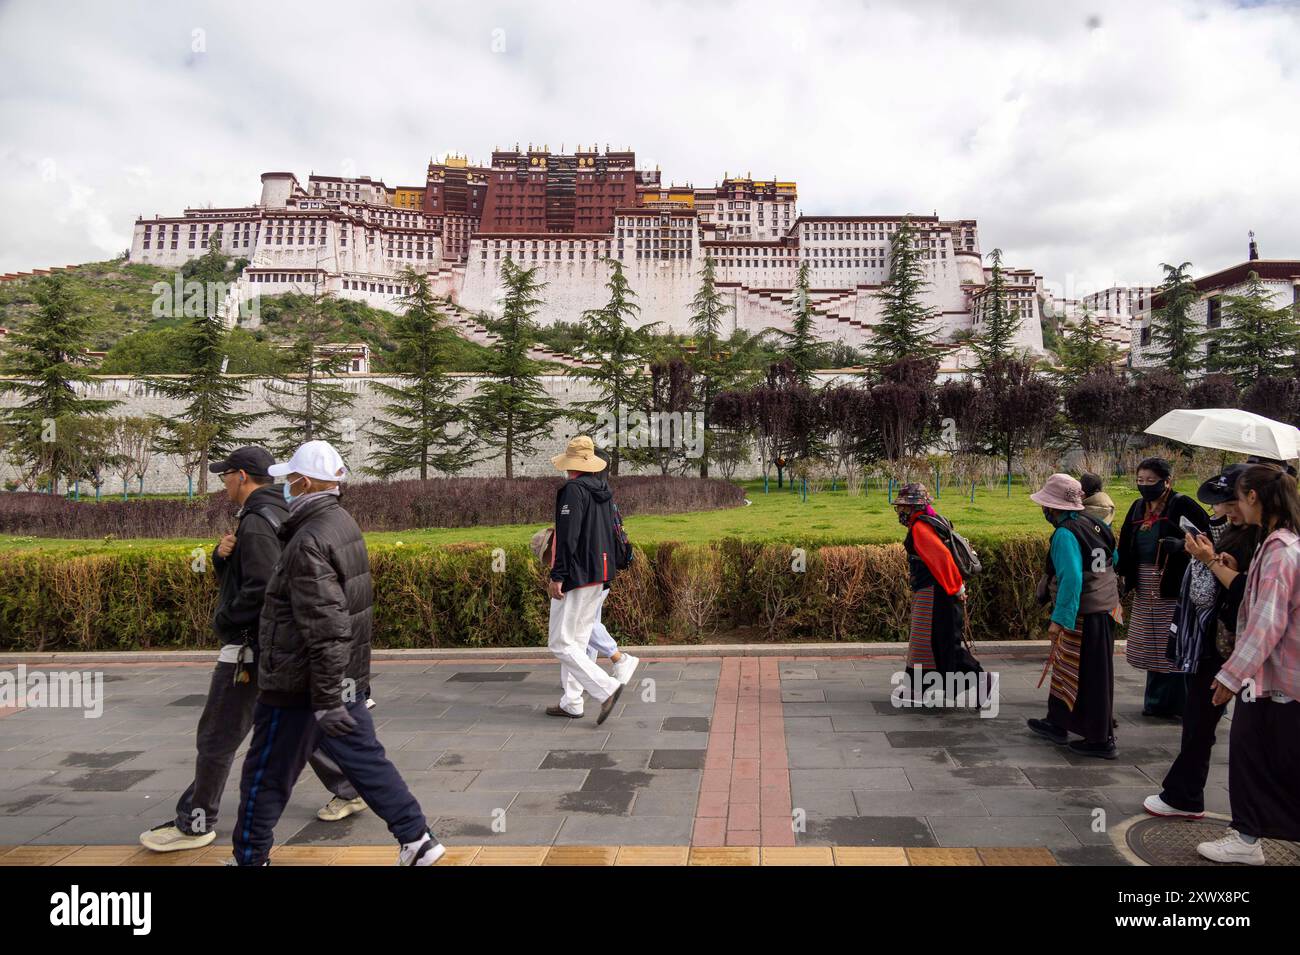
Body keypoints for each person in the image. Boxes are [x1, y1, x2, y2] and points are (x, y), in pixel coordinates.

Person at [139, 446, 365, 854]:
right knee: (295, 722)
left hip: (250, 647)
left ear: (242, 476)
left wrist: (226, 621)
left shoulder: (258, 521)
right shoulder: (283, 512)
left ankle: (196, 820)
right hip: (278, 645)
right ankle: (349, 786)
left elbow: (263, 587)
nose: (222, 481)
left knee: (217, 735)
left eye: (226, 474)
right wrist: (223, 558)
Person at [230, 440, 444, 866]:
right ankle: (417, 839)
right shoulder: (340, 522)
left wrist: (326, 700)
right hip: (336, 680)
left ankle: (249, 858)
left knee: (264, 774)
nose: (285, 487)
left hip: (303, 684)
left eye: (290, 480)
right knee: (366, 763)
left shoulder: (307, 540)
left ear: (305, 483)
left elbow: (327, 626)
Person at [1196, 464, 1300, 865]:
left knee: (1255, 755)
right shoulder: (1277, 542)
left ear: (1253, 498)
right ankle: (1247, 834)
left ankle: (1246, 837)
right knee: (1263, 756)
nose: (1234, 506)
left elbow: (1265, 621)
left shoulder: (1280, 551)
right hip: (1274, 677)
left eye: (1237, 498)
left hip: (1274, 678)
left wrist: (1231, 675)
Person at [1145, 464, 1260, 819]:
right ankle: (1186, 794)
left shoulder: (1261, 542)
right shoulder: (1249, 536)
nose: (1223, 510)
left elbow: (1213, 596)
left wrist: (1205, 560)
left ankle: (1199, 802)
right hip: (1222, 646)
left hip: (1225, 647)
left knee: (1210, 727)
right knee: (1207, 726)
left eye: (1231, 501)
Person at [1027, 473, 1121, 758]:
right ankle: (1057, 722)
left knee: (1089, 675)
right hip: (1105, 607)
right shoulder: (1096, 524)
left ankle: (1099, 739)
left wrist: (1059, 620)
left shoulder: (1065, 534)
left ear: (1053, 508)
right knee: (1069, 669)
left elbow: (1071, 579)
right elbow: (1113, 560)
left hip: (1085, 613)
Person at [1116, 457, 1210, 718]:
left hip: (1174, 583)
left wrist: (1181, 546)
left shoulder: (1183, 505)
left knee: (1173, 639)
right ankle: (1155, 701)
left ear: (1166, 482)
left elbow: (1206, 537)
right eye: (1140, 481)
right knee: (1151, 642)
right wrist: (1124, 574)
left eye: (1151, 481)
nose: (1144, 486)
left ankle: (1180, 703)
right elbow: (1125, 542)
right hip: (1146, 584)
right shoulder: (1137, 507)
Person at [545, 435, 625, 723]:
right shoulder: (603, 490)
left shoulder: (572, 491)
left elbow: (568, 537)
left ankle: (607, 688)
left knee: (560, 643)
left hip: (576, 575)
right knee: (577, 642)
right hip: (599, 573)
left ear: (572, 464)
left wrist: (558, 575)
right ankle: (572, 701)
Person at [530, 525, 639, 702]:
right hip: (598, 575)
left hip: (585, 580)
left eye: (546, 555)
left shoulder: (568, 519)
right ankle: (578, 687)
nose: (547, 561)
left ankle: (618, 661)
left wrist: (557, 577)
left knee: (574, 634)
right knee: (582, 633)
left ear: (550, 546)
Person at [893, 482, 979, 703]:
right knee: (925, 641)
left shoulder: (921, 528)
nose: (900, 512)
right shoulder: (929, 521)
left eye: (903, 507)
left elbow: (942, 559)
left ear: (914, 507)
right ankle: (916, 688)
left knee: (936, 642)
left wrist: (957, 588)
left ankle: (980, 681)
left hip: (934, 592)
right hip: (933, 590)